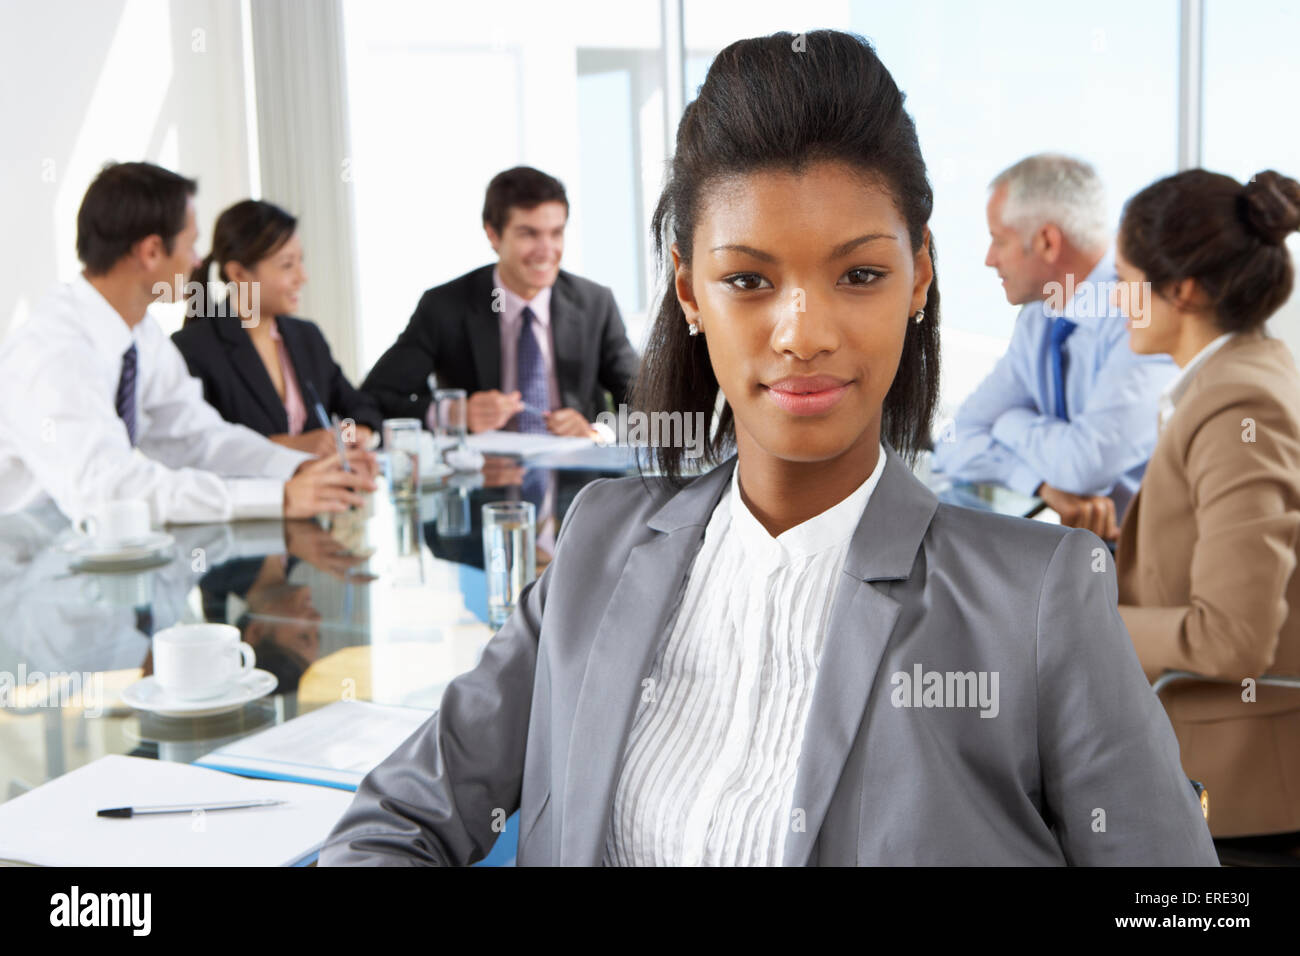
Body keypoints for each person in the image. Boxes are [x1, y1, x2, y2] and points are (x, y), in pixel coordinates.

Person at [320, 30, 1216, 866]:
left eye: (859, 274)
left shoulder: (1037, 597)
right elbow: (393, 822)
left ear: (920, 277)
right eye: (748, 279)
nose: (802, 333)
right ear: (688, 291)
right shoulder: (600, 542)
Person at [0, 162, 375, 524]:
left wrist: (299, 468)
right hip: (23, 563)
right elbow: (108, 490)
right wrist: (279, 497)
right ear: (150, 252)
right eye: (191, 244)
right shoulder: (54, 352)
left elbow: (199, 441)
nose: (198, 261)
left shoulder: (140, 336)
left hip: (83, 554)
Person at [1112, 168, 1300, 839]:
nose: (1116, 302)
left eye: (1125, 281)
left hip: (1238, 791)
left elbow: (1230, 638)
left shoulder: (1235, 405)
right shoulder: (1238, 374)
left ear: (1182, 290)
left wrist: (1082, 621)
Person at [931, 154, 1176, 538]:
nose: (988, 259)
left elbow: (1085, 466)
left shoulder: (1139, 313)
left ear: (1047, 241)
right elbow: (956, 439)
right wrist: (1040, 483)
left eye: (999, 240)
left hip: (1147, 559)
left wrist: (1011, 423)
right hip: (1080, 550)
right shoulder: (1039, 318)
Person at [360, 166, 640, 437]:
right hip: (482, 474)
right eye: (528, 234)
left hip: (580, 476)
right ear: (493, 235)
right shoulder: (445, 306)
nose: (546, 251)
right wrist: (455, 414)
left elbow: (652, 405)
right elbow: (374, 397)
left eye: (556, 233)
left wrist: (597, 431)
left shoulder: (595, 304)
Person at [171, 200, 382, 456]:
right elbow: (197, 447)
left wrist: (352, 433)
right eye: (287, 265)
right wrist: (290, 445)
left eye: (300, 262)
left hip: (325, 492)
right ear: (238, 273)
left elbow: (359, 408)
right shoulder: (192, 349)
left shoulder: (307, 337)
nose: (302, 276)